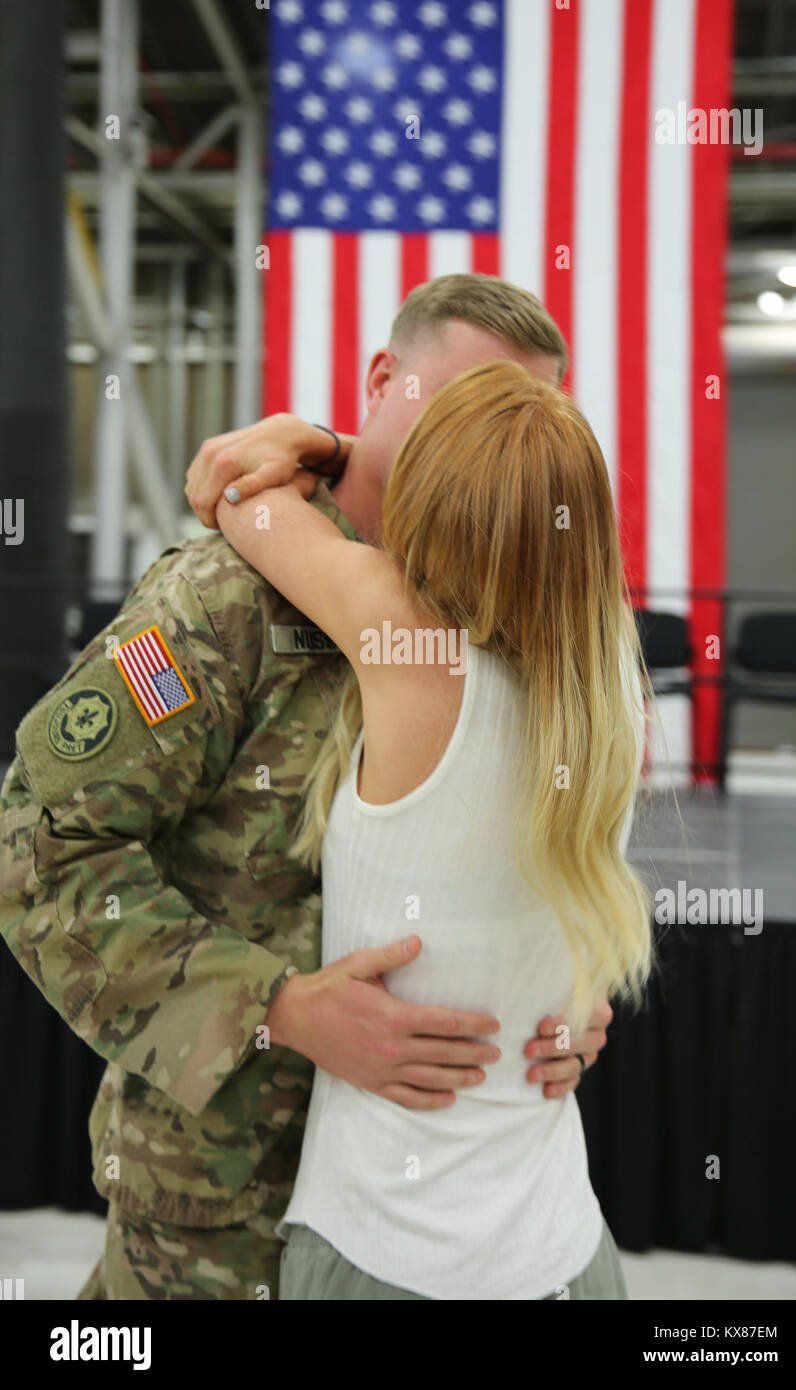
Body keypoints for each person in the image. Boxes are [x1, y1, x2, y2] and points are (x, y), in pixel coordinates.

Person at [0, 274, 615, 1301]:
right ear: (385, 379)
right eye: (461, 407)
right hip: (225, 1205)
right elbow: (38, 851)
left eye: (515, 422)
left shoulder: (507, 615)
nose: (484, 450)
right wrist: (274, 1006)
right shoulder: (224, 599)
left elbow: (539, 844)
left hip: (428, 1214)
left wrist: (561, 988)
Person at [213, 358, 652, 1300]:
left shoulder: (404, 636)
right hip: (570, 1255)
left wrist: (325, 442)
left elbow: (231, 484)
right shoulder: (610, 668)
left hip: (386, 1256)